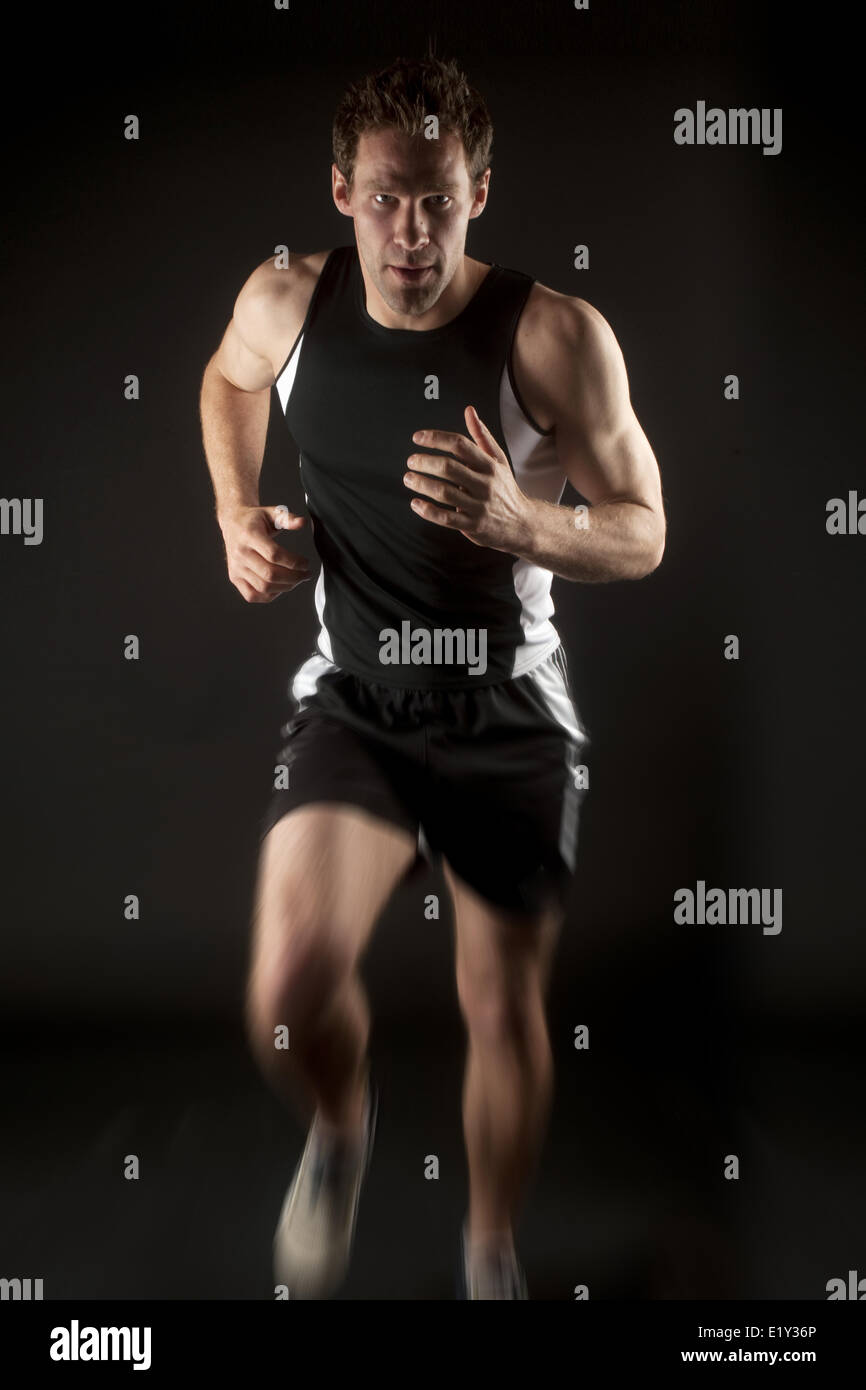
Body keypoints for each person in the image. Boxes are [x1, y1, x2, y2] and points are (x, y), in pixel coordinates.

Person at [199, 53, 665, 1300]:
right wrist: (235, 513)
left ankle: (487, 1248)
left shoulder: (555, 334)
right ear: (342, 191)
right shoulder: (285, 300)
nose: (413, 231)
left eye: (441, 198)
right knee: (287, 990)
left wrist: (528, 527)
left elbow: (642, 527)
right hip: (355, 692)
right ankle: (342, 1129)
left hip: (505, 703)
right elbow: (229, 380)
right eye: (389, 197)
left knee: (501, 1008)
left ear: (481, 189)